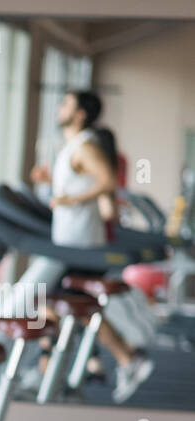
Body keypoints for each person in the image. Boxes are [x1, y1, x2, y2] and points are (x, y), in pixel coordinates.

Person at [25, 90, 153, 402]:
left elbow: (108, 181)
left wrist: (70, 199)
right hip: (74, 242)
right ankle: (54, 373)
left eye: (66, 104)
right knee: (61, 307)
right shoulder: (73, 148)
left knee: (48, 303)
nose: (59, 108)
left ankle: (47, 374)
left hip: (81, 245)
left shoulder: (85, 146)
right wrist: (51, 183)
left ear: (80, 113)